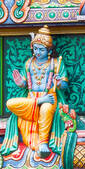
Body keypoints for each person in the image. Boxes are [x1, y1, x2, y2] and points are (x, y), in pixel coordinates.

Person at [4, 27, 69, 158]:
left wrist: (59, 81)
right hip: (32, 99)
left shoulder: (56, 64)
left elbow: (65, 85)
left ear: (49, 50)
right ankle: (39, 102)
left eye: (41, 49)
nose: (38, 52)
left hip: (49, 98)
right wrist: (19, 82)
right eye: (35, 48)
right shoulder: (28, 63)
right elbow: (25, 83)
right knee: (10, 103)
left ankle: (43, 143)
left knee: (45, 109)